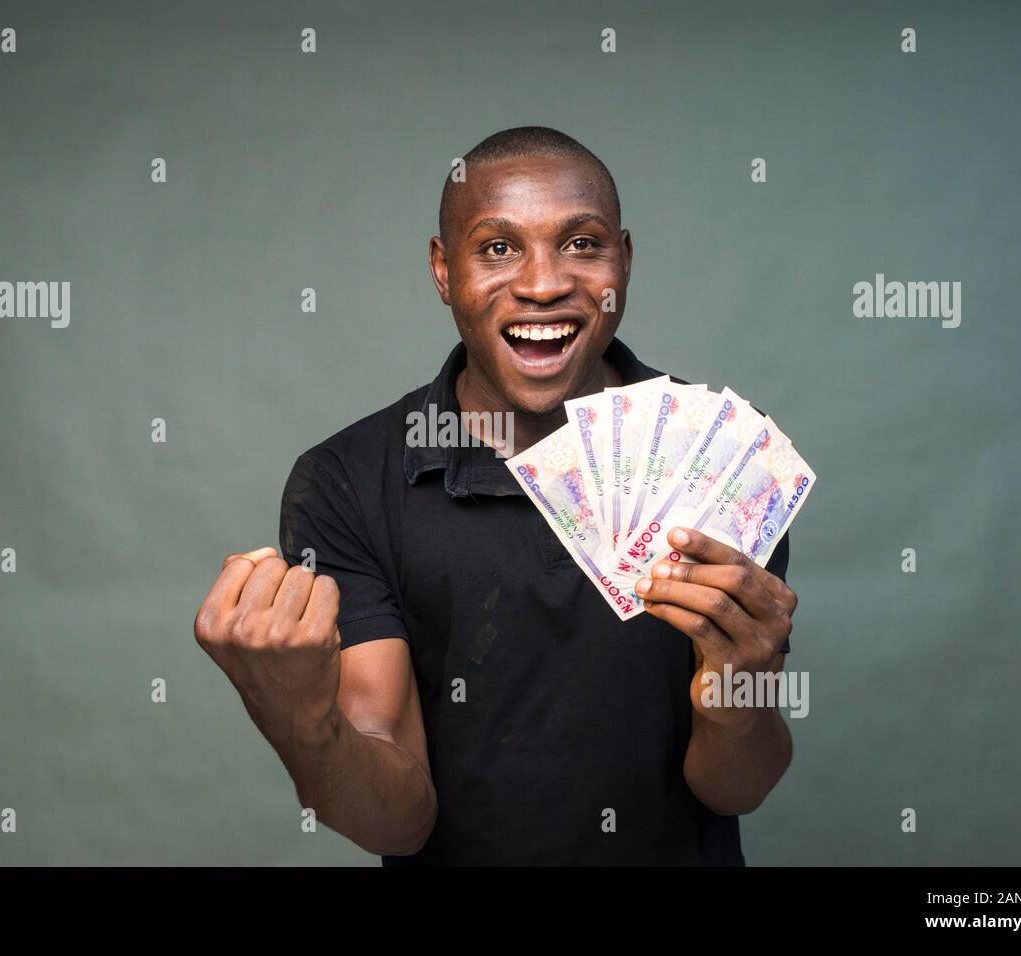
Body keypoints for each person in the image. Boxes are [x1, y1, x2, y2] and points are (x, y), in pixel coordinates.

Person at [193, 127, 798, 865]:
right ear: (443, 271)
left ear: (625, 261)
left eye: (582, 244)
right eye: (498, 248)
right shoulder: (347, 482)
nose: (543, 283)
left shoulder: (721, 459)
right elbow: (398, 822)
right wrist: (297, 716)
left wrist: (742, 689)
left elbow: (734, 788)